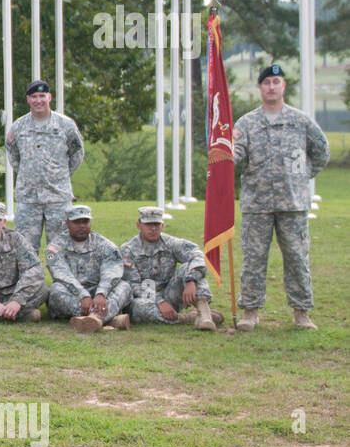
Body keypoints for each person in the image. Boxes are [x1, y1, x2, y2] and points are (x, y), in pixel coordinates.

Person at [233, 63, 331, 330]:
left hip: (293, 204)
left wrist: (302, 176)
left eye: (276, 82)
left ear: (283, 86)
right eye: (267, 83)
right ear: (260, 88)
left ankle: (302, 313)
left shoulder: (300, 121)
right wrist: (222, 156)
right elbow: (235, 153)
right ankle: (250, 312)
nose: (272, 87)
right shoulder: (247, 123)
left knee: (297, 259)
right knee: (253, 259)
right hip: (257, 205)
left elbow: (322, 151)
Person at [5, 79, 85, 255]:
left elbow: (77, 154)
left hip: (58, 197)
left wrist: (59, 174)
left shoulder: (66, 125)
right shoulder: (18, 127)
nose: (38, 100)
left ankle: (61, 282)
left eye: (42, 96)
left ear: (49, 97)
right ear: (28, 99)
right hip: (28, 199)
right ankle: (30, 282)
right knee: (25, 248)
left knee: (60, 247)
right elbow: (13, 156)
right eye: (34, 96)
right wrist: (30, 174)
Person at [120, 206, 221, 330]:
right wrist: (159, 302)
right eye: (148, 224)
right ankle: (187, 318)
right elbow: (133, 285)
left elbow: (197, 254)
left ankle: (205, 314)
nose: (153, 228)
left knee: (190, 268)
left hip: (170, 294)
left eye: (157, 224)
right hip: (146, 299)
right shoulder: (128, 250)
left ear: (162, 226)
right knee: (139, 307)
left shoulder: (171, 243)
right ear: (139, 225)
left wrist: (191, 280)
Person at [45, 204, 132, 333]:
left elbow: (112, 270)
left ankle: (91, 319)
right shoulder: (56, 246)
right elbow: (61, 274)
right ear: (67, 223)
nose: (82, 226)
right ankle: (106, 319)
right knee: (55, 290)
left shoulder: (104, 245)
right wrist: (83, 295)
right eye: (76, 222)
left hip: (99, 294)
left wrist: (101, 293)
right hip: (73, 294)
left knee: (124, 286)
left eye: (85, 221)